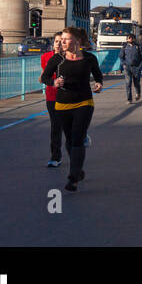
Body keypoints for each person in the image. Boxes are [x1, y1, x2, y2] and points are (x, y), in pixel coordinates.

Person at [40, 26, 103, 192]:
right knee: (69, 140)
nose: (62, 42)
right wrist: (53, 83)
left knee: (77, 138)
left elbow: (98, 74)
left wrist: (98, 84)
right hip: (62, 104)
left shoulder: (89, 58)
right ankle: (78, 170)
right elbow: (44, 77)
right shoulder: (57, 60)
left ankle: (73, 177)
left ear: (78, 41)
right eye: (61, 40)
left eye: (66, 39)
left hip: (84, 102)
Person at [39, 34, 65, 167]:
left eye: (61, 41)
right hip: (52, 96)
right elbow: (44, 75)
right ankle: (55, 157)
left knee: (70, 126)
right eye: (56, 41)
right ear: (53, 43)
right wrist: (51, 81)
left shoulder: (69, 57)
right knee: (56, 126)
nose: (59, 44)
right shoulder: (45, 57)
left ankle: (81, 134)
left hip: (68, 96)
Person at [121, 33, 142, 103]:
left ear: (134, 39)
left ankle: (138, 93)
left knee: (136, 83)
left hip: (136, 67)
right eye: (129, 38)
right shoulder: (125, 47)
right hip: (127, 67)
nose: (130, 39)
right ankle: (129, 99)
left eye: (132, 38)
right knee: (128, 83)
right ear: (127, 39)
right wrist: (124, 64)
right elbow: (121, 56)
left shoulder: (138, 47)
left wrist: (140, 66)